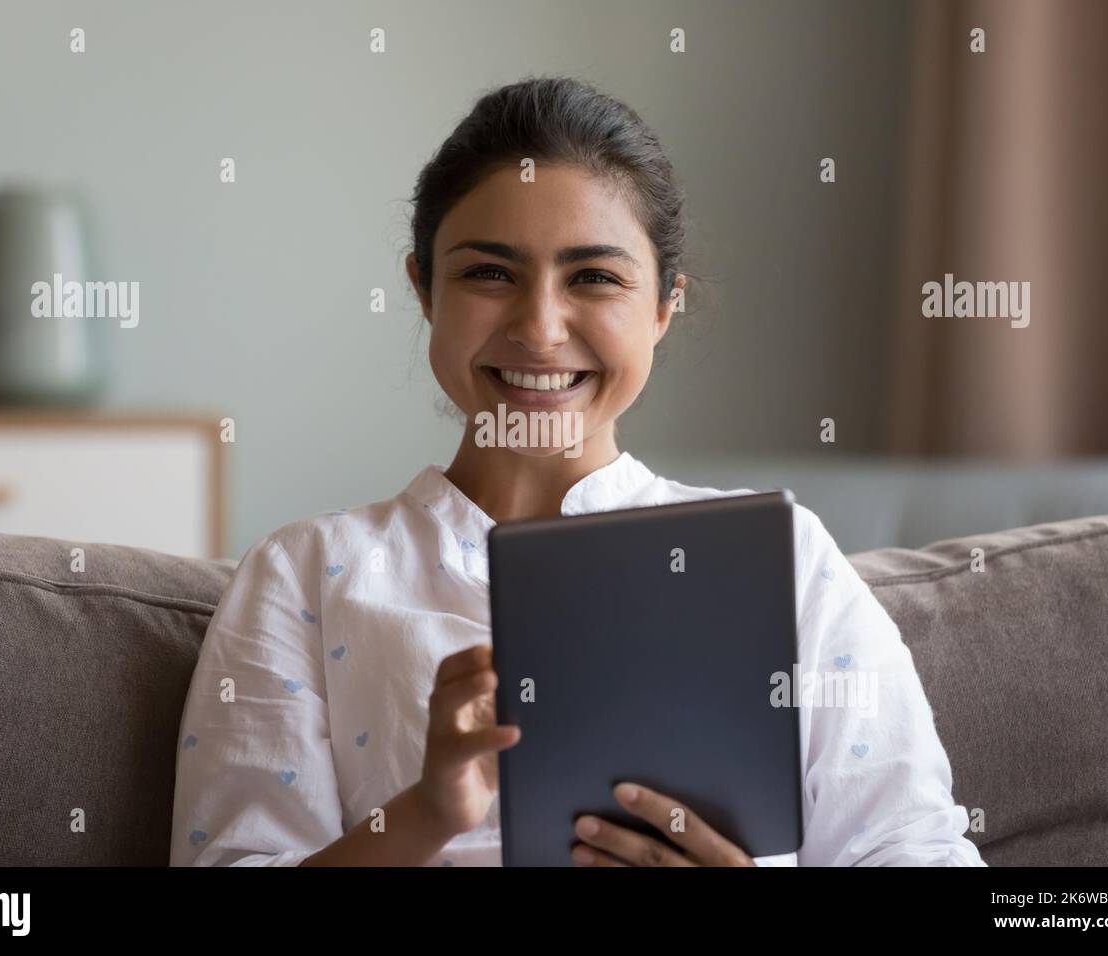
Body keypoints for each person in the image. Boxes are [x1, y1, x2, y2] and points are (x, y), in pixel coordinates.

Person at [170, 75, 985, 867]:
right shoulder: (304, 576)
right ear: (424, 290)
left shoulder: (785, 562)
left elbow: (919, 852)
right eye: (489, 273)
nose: (540, 327)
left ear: (664, 306)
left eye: (594, 278)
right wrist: (424, 815)